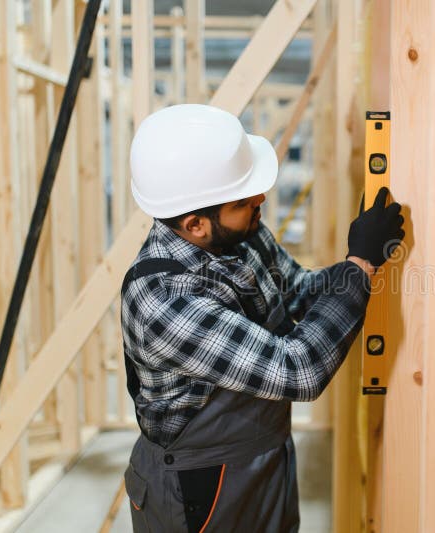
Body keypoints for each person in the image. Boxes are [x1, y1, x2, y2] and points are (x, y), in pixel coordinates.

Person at [121, 104, 404, 532]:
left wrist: (356, 263)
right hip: (197, 490)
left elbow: (300, 293)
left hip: (262, 458)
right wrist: (359, 265)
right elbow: (297, 370)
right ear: (196, 224)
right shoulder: (162, 300)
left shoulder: (240, 234)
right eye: (243, 199)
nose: (260, 200)